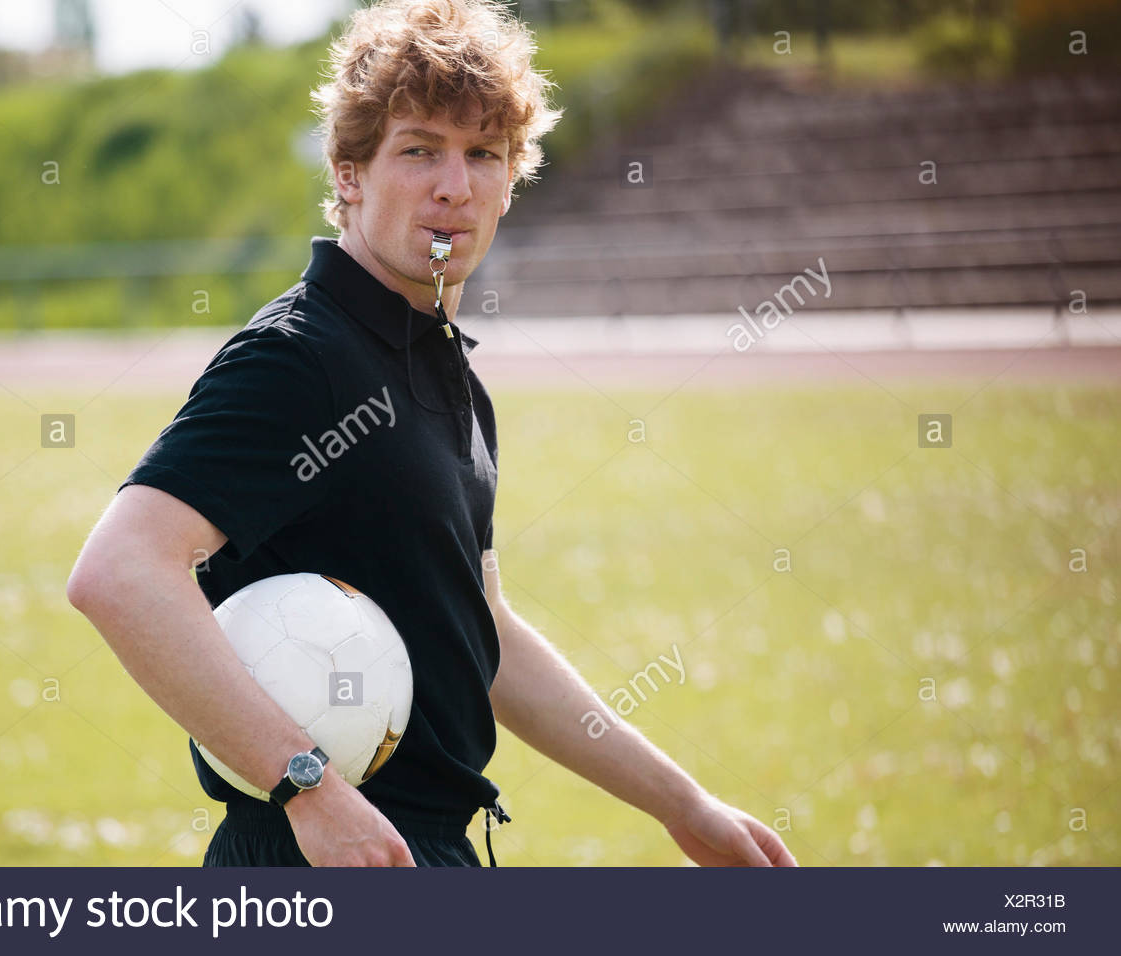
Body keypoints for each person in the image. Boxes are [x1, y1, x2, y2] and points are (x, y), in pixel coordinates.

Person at [67, 0, 797, 869]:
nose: (455, 184)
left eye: (483, 154)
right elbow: (119, 571)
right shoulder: (302, 357)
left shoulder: (445, 372)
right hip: (314, 854)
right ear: (348, 174)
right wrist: (308, 786)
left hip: (425, 850)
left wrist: (686, 807)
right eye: (418, 150)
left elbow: (482, 634)